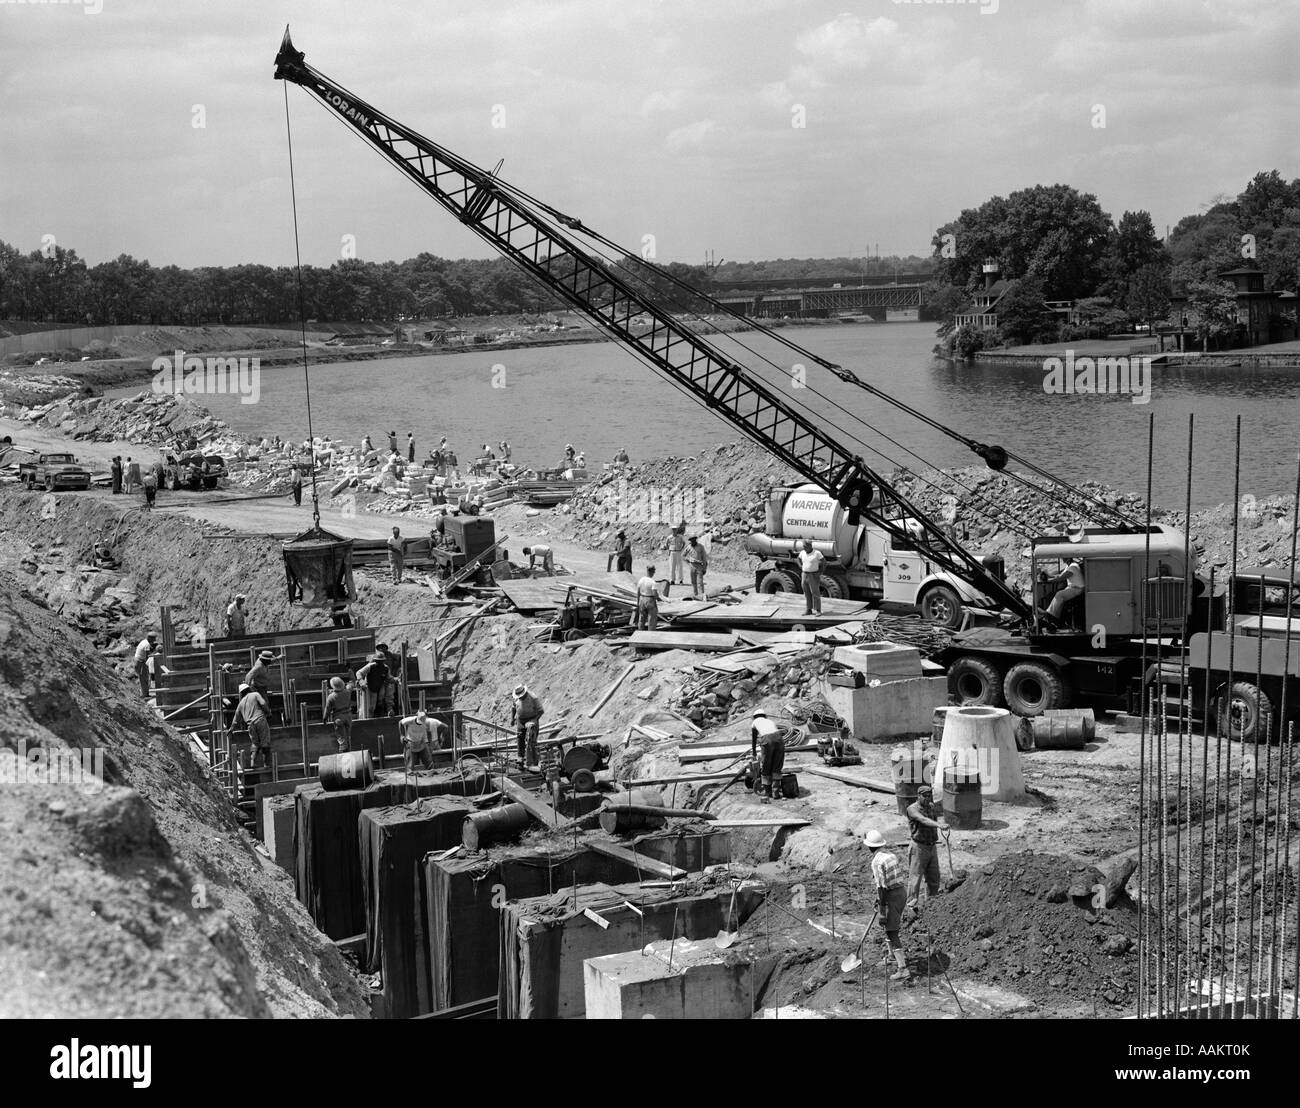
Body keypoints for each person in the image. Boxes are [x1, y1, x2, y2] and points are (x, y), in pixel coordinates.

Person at [864, 828, 911, 982]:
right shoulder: (890, 855)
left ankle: (902, 968)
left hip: (891, 896)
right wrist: (880, 900)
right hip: (901, 892)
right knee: (888, 928)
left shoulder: (876, 861)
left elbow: (882, 886)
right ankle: (891, 956)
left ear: (870, 846)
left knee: (892, 932)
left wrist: (882, 907)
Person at [905, 785, 948, 913]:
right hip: (919, 847)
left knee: (934, 877)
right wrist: (939, 825)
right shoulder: (912, 809)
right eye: (925, 796)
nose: (928, 798)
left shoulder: (931, 807)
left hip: (931, 846)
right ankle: (911, 906)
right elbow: (922, 820)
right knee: (915, 878)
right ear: (918, 796)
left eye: (930, 796)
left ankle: (932, 903)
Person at [233, 682, 273, 769]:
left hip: (250, 725)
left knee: (255, 743)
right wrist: (268, 712)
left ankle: (253, 762)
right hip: (260, 720)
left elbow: (236, 718)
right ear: (249, 689)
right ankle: (267, 764)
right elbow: (263, 703)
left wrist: (231, 729)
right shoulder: (255, 694)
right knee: (265, 741)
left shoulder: (241, 703)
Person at [750, 709, 784, 798]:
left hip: (767, 740)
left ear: (755, 717)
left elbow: (754, 739)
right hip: (779, 740)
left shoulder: (754, 722)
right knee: (777, 766)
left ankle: (768, 792)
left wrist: (754, 752)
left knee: (766, 765)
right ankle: (776, 793)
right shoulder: (769, 721)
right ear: (764, 715)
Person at [511, 683, 544, 767]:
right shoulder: (516, 698)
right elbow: (513, 708)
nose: (520, 697)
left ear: (525, 693)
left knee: (531, 740)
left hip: (532, 719)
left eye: (521, 696)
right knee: (520, 737)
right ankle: (520, 757)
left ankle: (533, 761)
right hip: (521, 720)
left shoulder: (533, 697)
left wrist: (534, 720)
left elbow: (541, 711)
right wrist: (512, 718)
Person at [1046, 556, 1085, 622]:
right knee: (1058, 594)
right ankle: (1052, 614)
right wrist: (1048, 576)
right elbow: (1060, 575)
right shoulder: (1068, 566)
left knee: (1059, 594)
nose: (1062, 558)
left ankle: (1052, 616)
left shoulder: (1073, 566)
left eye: (1064, 557)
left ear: (1068, 558)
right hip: (1072, 587)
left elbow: (1061, 578)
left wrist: (1049, 581)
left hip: (1078, 589)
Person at [324, 676, 354, 752]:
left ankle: (343, 753)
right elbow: (351, 683)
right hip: (348, 716)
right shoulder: (347, 691)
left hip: (338, 717)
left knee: (342, 739)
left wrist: (325, 718)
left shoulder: (331, 696)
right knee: (348, 736)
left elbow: (327, 709)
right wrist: (350, 672)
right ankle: (349, 751)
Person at [356, 652, 390, 716]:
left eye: (381, 661)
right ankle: (368, 719)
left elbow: (389, 678)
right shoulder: (370, 666)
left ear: (384, 661)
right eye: (378, 661)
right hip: (369, 688)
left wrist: (396, 679)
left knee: (379, 703)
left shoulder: (386, 668)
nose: (379, 663)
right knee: (370, 707)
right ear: (375, 660)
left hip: (379, 688)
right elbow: (358, 673)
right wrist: (361, 681)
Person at [798, 538, 824, 616]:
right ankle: (808, 609)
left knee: (815, 593)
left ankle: (818, 610)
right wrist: (801, 566)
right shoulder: (802, 552)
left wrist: (820, 572)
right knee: (806, 593)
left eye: (805, 546)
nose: (803, 547)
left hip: (813, 575)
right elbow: (798, 559)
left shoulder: (817, 553)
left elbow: (823, 562)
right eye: (803, 546)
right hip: (804, 574)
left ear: (810, 546)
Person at [635, 564, 660, 630]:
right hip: (650, 600)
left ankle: (640, 633)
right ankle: (650, 635)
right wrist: (658, 598)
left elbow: (638, 592)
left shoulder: (641, 579)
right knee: (652, 619)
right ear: (652, 572)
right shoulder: (652, 582)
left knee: (641, 619)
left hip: (642, 599)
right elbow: (655, 594)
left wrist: (637, 603)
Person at [133, 632, 158, 698]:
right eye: (154, 639)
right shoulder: (147, 644)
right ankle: (145, 695)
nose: (154, 640)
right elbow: (148, 656)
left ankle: (143, 693)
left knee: (143, 678)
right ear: (150, 638)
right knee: (143, 678)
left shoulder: (144, 641)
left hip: (139, 660)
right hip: (140, 662)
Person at [684, 535, 708, 600]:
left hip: (699, 566)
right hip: (692, 566)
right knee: (693, 582)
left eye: (693, 540)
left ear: (695, 539)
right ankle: (695, 595)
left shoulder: (700, 547)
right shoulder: (688, 547)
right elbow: (683, 556)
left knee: (700, 582)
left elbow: (704, 558)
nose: (692, 541)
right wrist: (689, 560)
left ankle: (701, 596)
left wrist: (704, 568)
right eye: (691, 540)